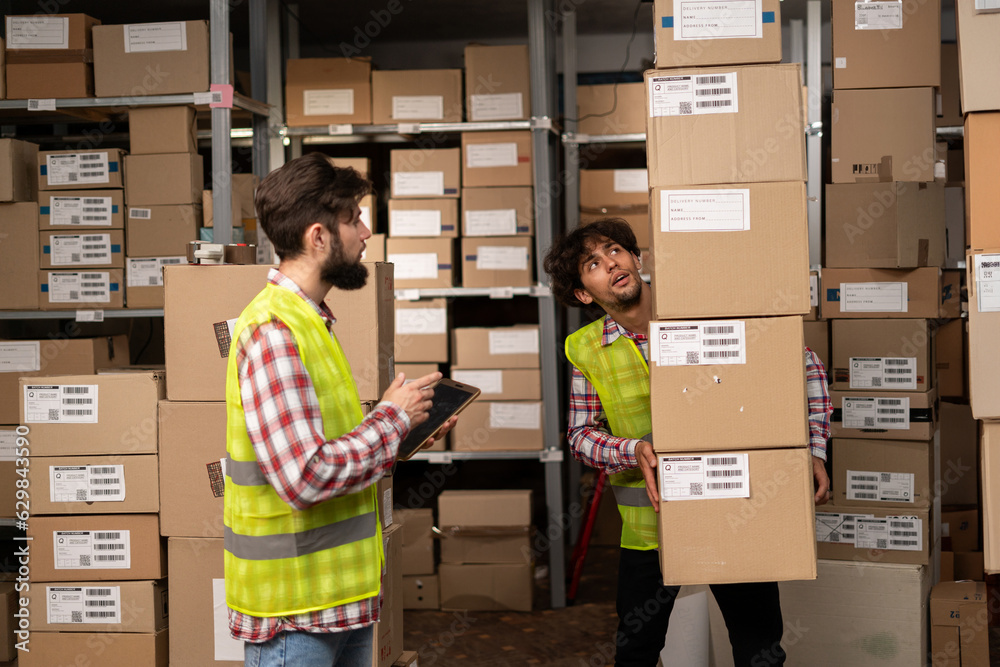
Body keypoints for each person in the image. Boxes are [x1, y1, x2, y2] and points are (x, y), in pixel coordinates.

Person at [543, 218, 832, 667]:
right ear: (583, 293)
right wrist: (631, 450)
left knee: (760, 650)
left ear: (637, 259)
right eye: (592, 264)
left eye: (616, 250)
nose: (611, 263)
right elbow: (581, 437)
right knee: (635, 651)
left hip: (732, 506)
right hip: (650, 528)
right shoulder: (585, 348)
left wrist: (812, 449)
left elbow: (805, 364)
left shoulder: (703, 312)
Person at [224, 153, 456, 667]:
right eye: (353, 219)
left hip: (338, 602)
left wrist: (403, 431)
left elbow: (328, 447)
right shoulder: (275, 331)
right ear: (318, 237)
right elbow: (305, 476)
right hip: (295, 611)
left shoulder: (311, 322)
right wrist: (390, 419)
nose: (366, 232)